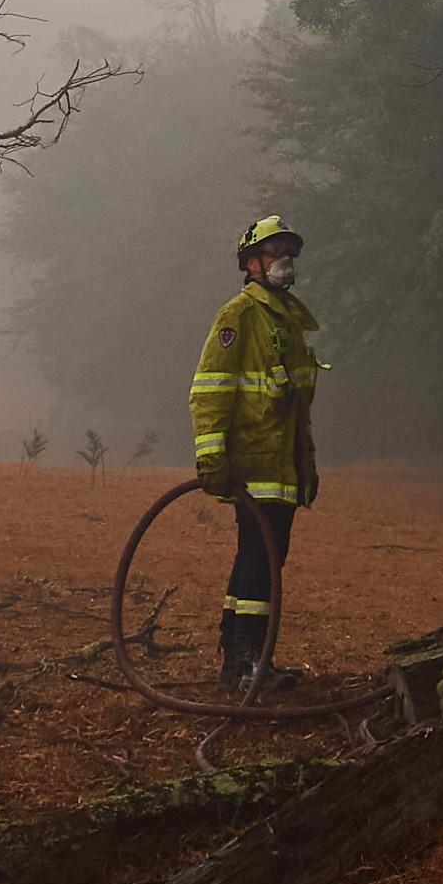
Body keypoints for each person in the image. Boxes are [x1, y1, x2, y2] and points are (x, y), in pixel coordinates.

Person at [189, 213, 323, 696]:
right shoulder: (239, 317)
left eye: (289, 253)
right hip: (255, 468)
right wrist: (212, 457)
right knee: (257, 562)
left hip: (282, 469)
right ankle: (243, 663)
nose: (285, 262)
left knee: (265, 561)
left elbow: (294, 410)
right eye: (275, 253)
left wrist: (306, 467)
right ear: (251, 264)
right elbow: (210, 390)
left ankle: (250, 659)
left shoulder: (286, 321)